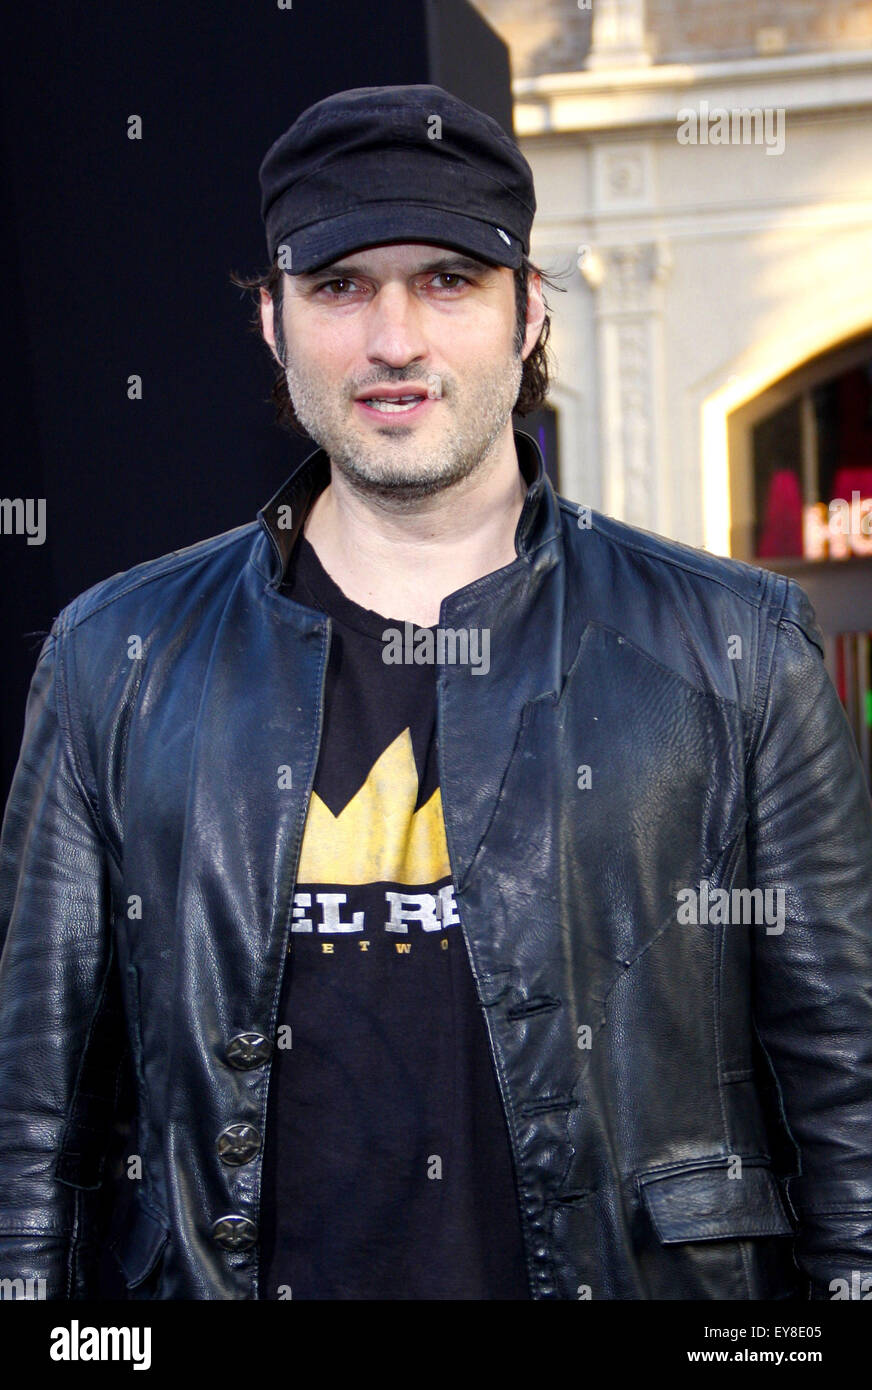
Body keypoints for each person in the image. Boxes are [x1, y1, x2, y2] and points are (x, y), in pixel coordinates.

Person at [1, 83, 871, 1303]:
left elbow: (846, 1090)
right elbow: (32, 1116)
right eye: (339, 285)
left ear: (528, 314)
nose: (392, 338)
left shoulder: (733, 645)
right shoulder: (116, 658)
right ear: (272, 321)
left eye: (448, 280)